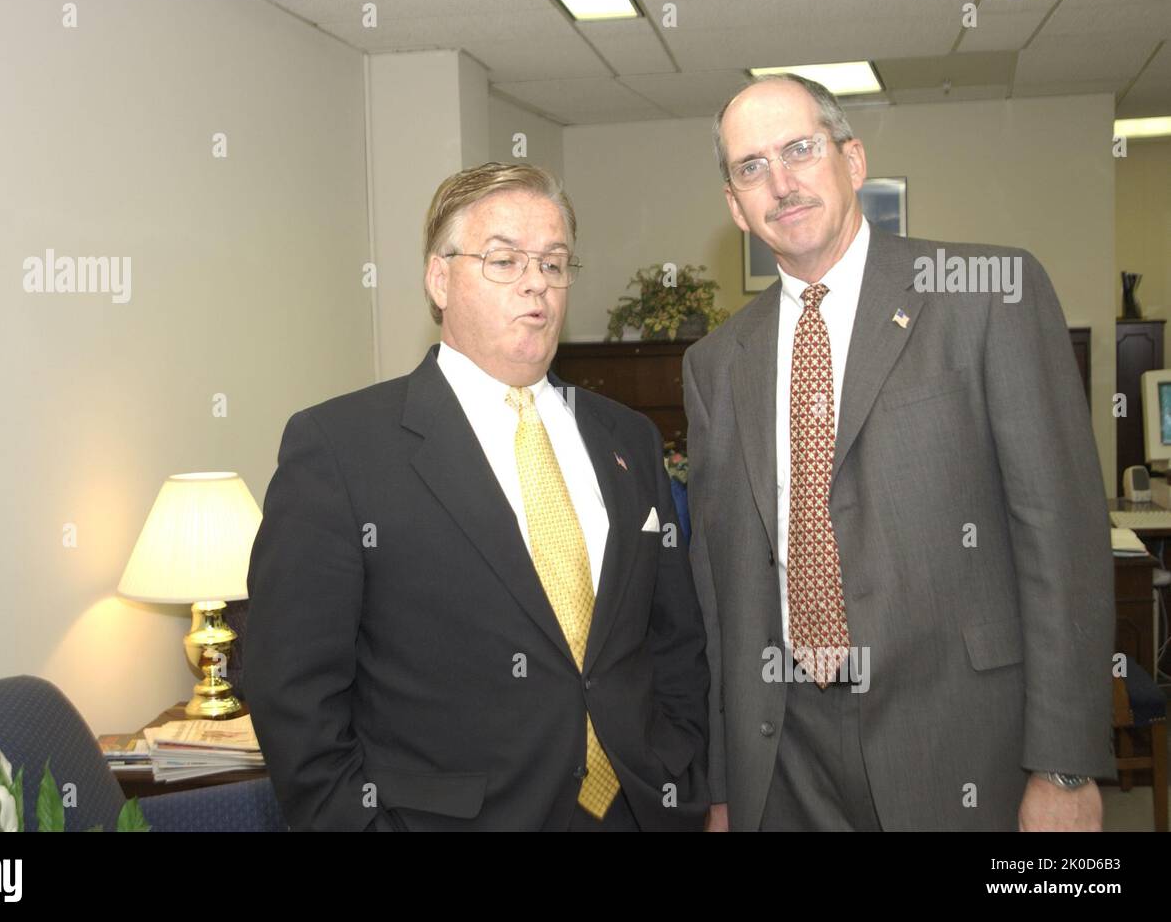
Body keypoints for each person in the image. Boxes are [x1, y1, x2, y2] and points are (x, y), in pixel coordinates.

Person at [684, 74, 1113, 831]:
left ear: (852, 160)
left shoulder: (988, 297)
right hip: (784, 756)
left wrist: (1066, 762)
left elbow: (1063, 539)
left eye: (799, 150)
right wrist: (724, 784)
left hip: (964, 741)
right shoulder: (715, 364)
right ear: (734, 205)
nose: (780, 183)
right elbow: (720, 588)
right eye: (752, 167)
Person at [244, 162, 709, 831]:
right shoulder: (340, 449)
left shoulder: (627, 439)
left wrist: (681, 774)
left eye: (554, 263)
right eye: (503, 260)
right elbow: (295, 697)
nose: (535, 284)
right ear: (439, 278)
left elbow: (674, 639)